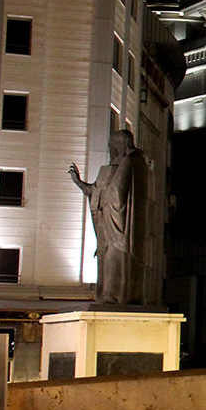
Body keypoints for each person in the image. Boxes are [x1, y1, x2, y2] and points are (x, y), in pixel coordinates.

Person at [68, 130, 147, 305]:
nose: (112, 152)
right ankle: (109, 296)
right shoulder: (121, 166)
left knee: (116, 262)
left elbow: (116, 195)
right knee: (106, 260)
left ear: (123, 145)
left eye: (114, 147)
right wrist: (79, 183)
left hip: (120, 229)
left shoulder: (131, 162)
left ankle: (116, 297)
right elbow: (96, 192)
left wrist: (102, 192)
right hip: (111, 228)